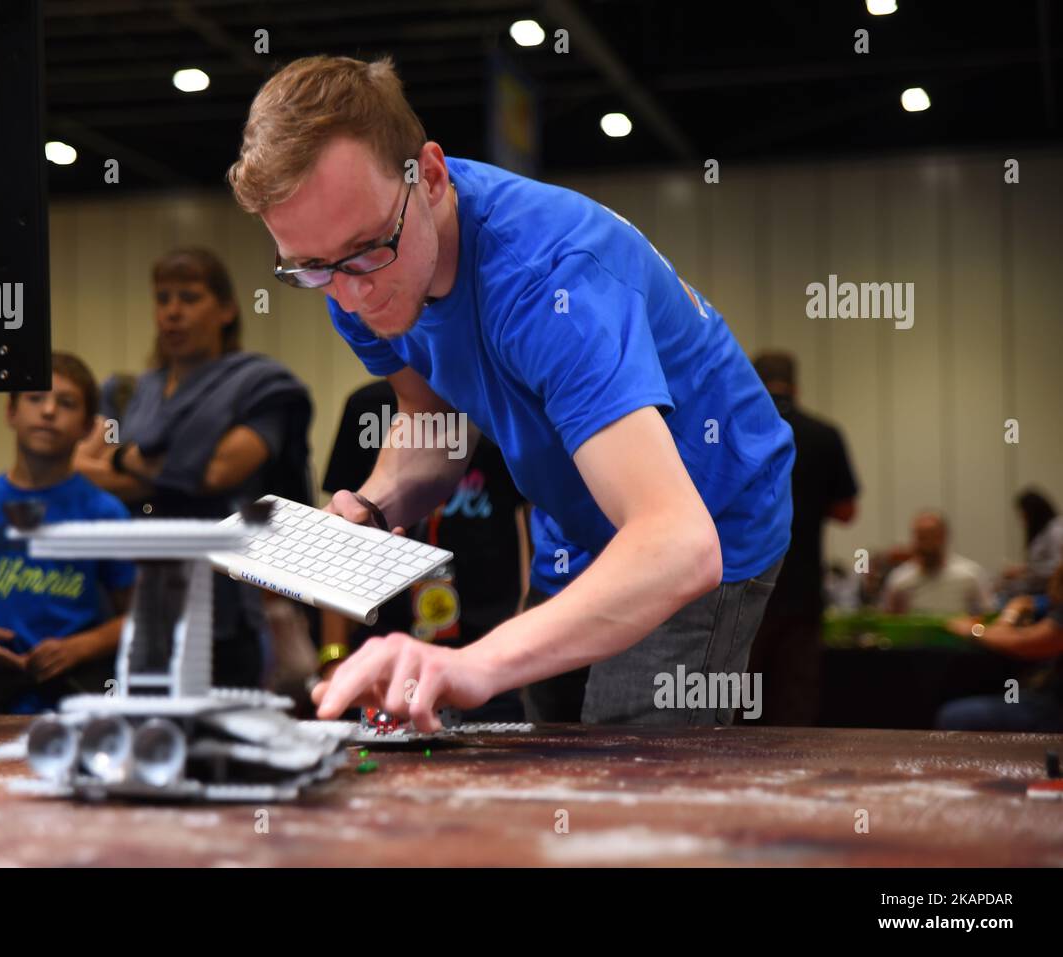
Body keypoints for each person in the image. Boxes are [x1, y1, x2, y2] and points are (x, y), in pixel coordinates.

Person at [227, 55, 794, 729]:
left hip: (708, 509)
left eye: (365, 251)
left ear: (429, 177)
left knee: (631, 779)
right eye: (312, 267)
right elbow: (432, 421)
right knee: (545, 740)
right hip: (581, 516)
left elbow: (679, 543)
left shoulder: (552, 286)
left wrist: (474, 662)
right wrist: (371, 510)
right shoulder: (354, 266)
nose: (350, 293)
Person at [74, 248, 313, 689]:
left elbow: (219, 473)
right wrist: (165, 469)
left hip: (229, 603)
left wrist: (127, 459)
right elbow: (83, 472)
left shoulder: (260, 384)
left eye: (189, 297)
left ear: (225, 309)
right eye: (163, 299)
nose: (173, 313)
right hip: (140, 597)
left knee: (224, 742)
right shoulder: (133, 390)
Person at [0, 353, 136, 714]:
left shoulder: (105, 513)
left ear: (87, 426)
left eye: (66, 403)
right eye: (35, 398)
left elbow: (136, 617)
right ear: (10, 412)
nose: (49, 411)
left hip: (75, 688)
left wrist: (80, 647)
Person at [318, 379, 529, 721]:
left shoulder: (500, 404)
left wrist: (522, 643)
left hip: (484, 647)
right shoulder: (368, 408)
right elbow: (342, 534)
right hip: (381, 651)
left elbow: (531, 529)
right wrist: (334, 656)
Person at [747, 351, 859, 726]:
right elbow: (847, 512)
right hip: (802, 588)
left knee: (742, 695)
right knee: (794, 697)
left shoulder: (735, 430)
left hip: (744, 586)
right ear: (796, 386)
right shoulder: (824, 434)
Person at [938, 562, 1063, 732]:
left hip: (1052, 707)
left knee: (954, 716)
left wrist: (973, 630)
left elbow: (1028, 644)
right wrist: (1010, 616)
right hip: (1041, 693)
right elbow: (1025, 603)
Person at [880, 511, 992, 616]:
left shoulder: (970, 575)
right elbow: (888, 617)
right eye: (922, 537)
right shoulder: (899, 580)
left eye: (932, 536)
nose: (927, 544)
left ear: (944, 536)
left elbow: (987, 617)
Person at [998, 489, 1063, 598]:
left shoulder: (1055, 530)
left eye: (1023, 514)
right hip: (1038, 589)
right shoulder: (1041, 531)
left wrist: (1026, 570)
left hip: (1050, 593)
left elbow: (1058, 566)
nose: (1022, 520)